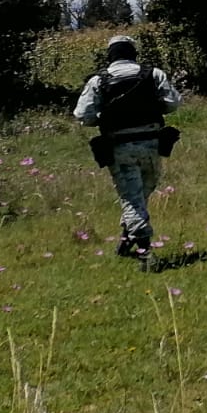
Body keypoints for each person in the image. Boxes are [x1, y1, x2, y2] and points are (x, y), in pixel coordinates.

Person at [73, 35, 182, 268]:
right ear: (133, 52)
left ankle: (142, 250)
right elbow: (172, 103)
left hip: (120, 146)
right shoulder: (153, 74)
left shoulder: (98, 80)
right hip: (152, 143)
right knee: (141, 194)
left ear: (110, 55)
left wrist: (105, 116)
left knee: (133, 198)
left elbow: (83, 115)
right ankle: (135, 245)